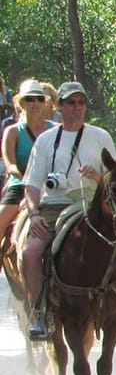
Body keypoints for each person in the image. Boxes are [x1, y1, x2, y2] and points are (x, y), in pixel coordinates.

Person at [21, 81, 116, 339]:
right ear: (59, 106)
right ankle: (39, 312)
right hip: (55, 205)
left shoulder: (100, 136)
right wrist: (34, 215)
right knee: (31, 253)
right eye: (70, 103)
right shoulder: (45, 141)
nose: (76, 108)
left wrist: (97, 177)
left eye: (81, 102)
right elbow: (31, 184)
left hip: (95, 204)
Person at [0, 80, 55, 250]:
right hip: (21, 185)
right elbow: (10, 165)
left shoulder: (56, 130)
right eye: (30, 99)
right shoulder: (13, 131)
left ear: (45, 102)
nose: (35, 103)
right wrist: (27, 179)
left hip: (52, 186)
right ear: (21, 103)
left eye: (39, 99)